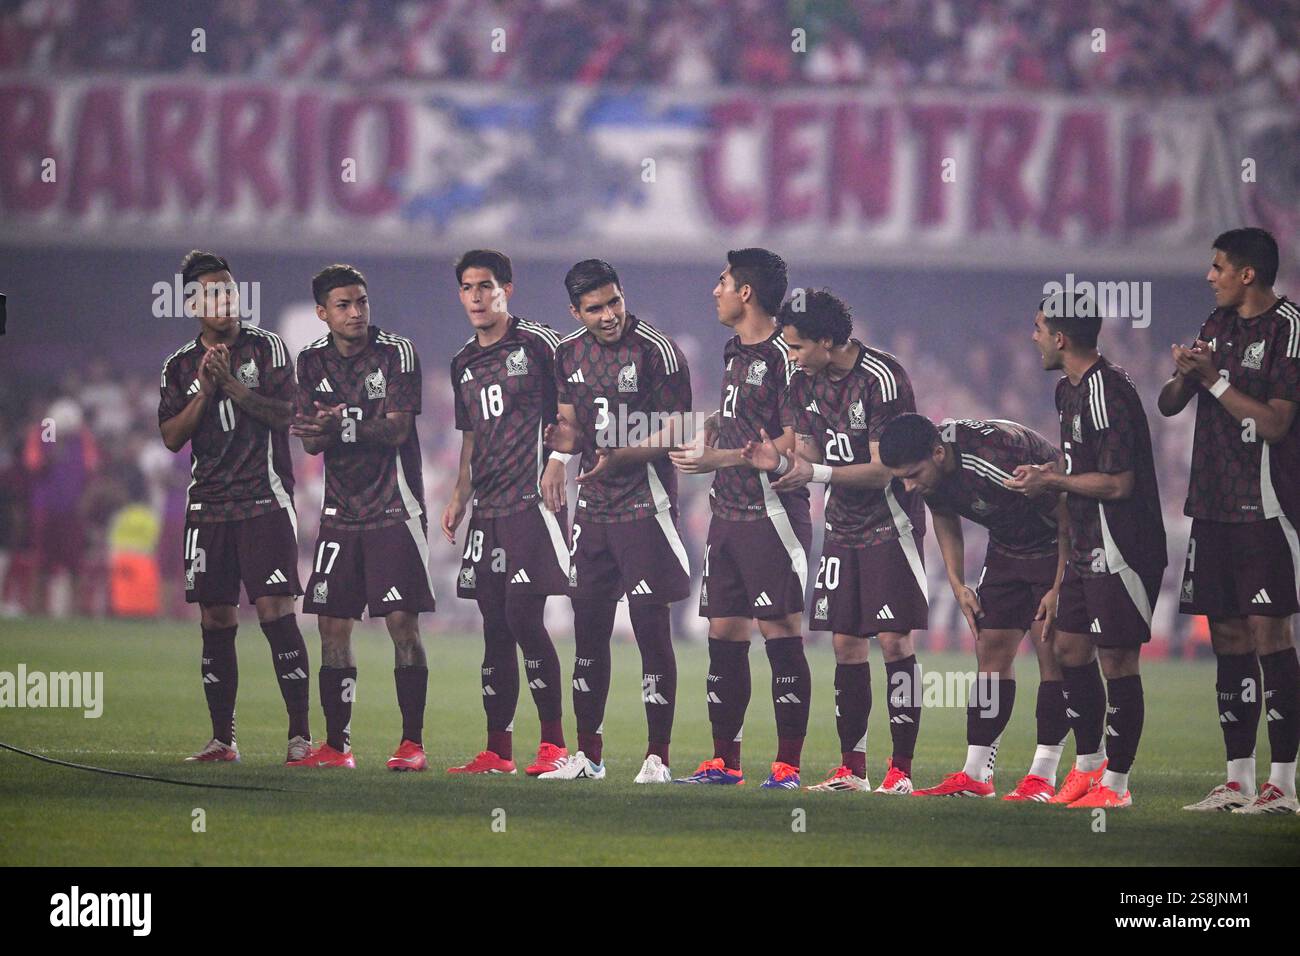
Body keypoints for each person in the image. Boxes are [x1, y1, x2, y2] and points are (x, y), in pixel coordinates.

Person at [743, 289, 926, 794]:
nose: (792, 357)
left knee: (893, 641)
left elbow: (885, 469)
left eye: (798, 347)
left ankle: (902, 771)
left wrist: (815, 472)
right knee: (846, 645)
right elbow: (805, 455)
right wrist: (780, 465)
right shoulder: (802, 382)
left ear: (828, 340)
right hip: (842, 527)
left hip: (891, 524)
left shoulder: (882, 380)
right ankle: (852, 768)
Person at [1006, 290, 1167, 807]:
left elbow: (1119, 484)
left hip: (1123, 547)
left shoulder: (1107, 391)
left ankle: (1116, 787)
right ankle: (1090, 766)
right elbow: (1077, 474)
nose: (1032, 338)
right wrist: (1053, 479)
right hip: (1084, 546)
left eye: (1037, 328)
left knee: (1118, 659)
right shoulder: (1067, 391)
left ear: (1060, 337)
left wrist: (1054, 481)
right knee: (1069, 649)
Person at [1158, 227, 1300, 814]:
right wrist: (1188, 373)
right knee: (1228, 638)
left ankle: (1284, 784)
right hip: (1211, 504)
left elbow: (1275, 424)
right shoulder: (1214, 325)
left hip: (1264, 504)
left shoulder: (1289, 327)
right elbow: (1169, 404)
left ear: (1247, 274)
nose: (1209, 276)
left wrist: (1214, 379)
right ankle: (1238, 778)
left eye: (1217, 266)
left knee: (1271, 634)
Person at [541, 259, 692, 783]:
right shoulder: (567, 354)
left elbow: (679, 427)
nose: (608, 315)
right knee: (588, 633)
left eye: (614, 302)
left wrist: (626, 454)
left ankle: (658, 757)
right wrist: (559, 457)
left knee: (651, 632)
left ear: (623, 295)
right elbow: (570, 424)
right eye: (594, 308)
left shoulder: (658, 351)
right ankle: (589, 756)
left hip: (645, 507)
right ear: (575, 311)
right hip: (594, 511)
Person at [156, 250, 310, 763]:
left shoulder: (268, 350)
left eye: (228, 289)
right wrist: (206, 388)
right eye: (211, 292)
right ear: (193, 303)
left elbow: (286, 413)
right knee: (216, 619)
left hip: (263, 499)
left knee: (275, 612)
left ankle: (300, 736)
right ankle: (224, 739)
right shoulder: (179, 367)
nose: (223, 299)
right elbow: (172, 437)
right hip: (207, 506)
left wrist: (235, 387)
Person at [669, 249, 812, 790]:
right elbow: (742, 419)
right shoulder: (735, 351)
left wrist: (717, 460)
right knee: (724, 633)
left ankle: (787, 767)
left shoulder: (786, 354)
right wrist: (711, 427)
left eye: (723, 281)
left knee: (780, 632)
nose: (716, 290)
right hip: (726, 513)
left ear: (746, 292)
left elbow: (792, 443)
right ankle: (724, 762)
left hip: (772, 511)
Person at [880, 413, 1071, 800]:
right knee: (990, 648)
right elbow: (945, 517)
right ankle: (976, 775)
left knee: (1050, 650)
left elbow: (1067, 514)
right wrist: (957, 582)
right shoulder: (930, 469)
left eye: (913, 474)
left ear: (937, 454)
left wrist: (1059, 585)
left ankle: (1043, 776)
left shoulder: (996, 460)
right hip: (1006, 545)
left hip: (1055, 546)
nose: (909, 485)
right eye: (901, 477)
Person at [289, 264, 435, 770]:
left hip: (394, 507)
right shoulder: (309, 362)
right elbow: (308, 437)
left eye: (361, 303)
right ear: (322, 313)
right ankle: (337, 746)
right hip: (338, 513)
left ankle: (412, 744)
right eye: (344, 305)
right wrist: (345, 424)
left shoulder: (397, 353)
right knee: (332, 627)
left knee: (401, 623)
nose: (356, 313)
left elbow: (396, 430)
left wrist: (342, 422)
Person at [443, 249, 571, 776]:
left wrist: (560, 458)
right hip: (488, 509)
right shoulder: (462, 362)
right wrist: (459, 494)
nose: (477, 296)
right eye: (468, 288)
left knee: (522, 616)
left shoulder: (539, 343)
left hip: (530, 503)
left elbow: (571, 406)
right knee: (494, 626)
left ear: (507, 290)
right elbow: (471, 435)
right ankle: (497, 751)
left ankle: (555, 744)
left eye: (487, 286)